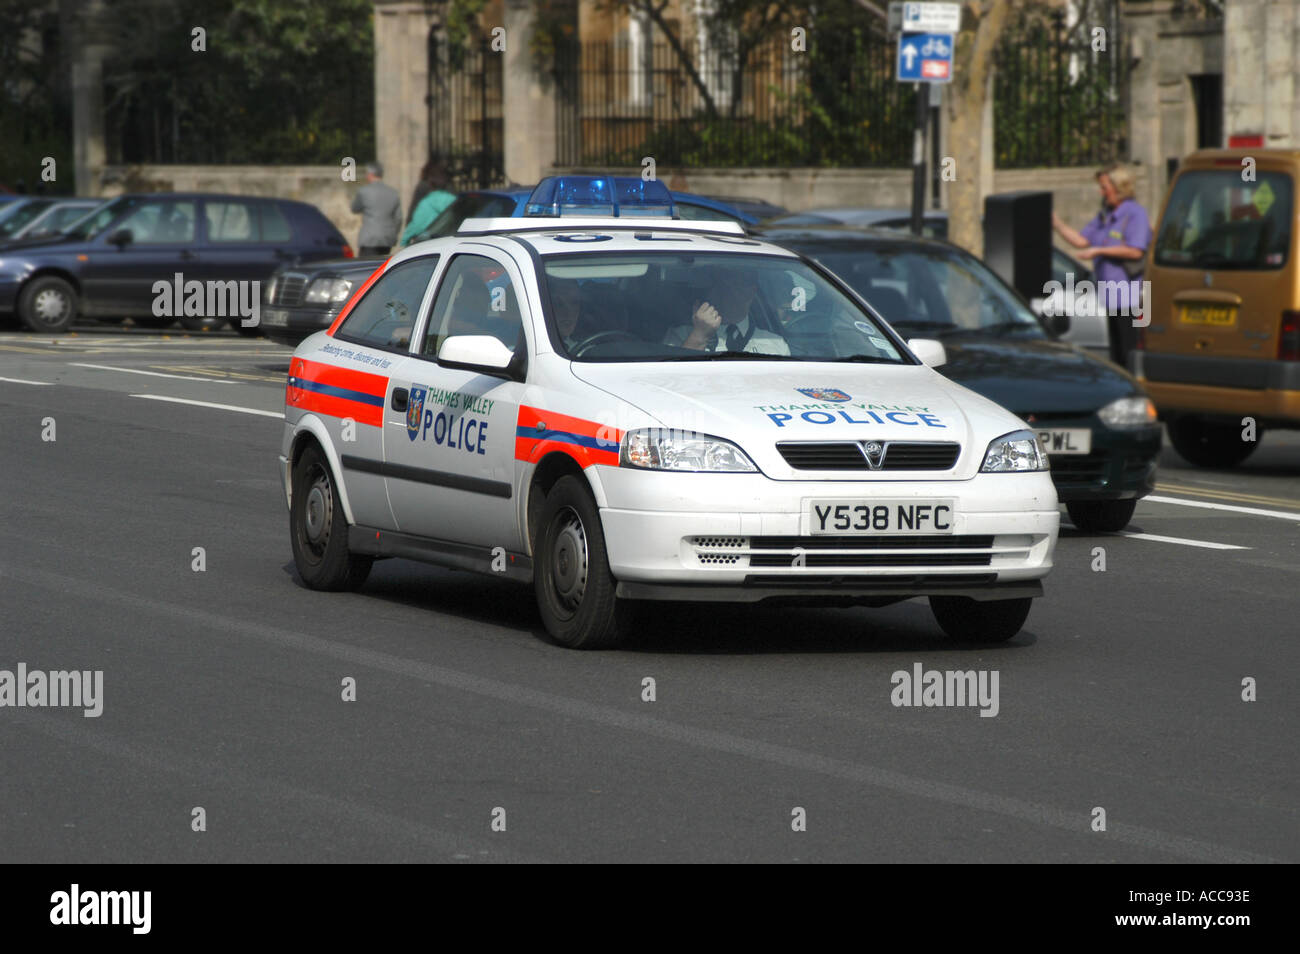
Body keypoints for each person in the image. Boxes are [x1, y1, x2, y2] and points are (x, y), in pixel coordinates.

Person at [1052, 162, 1152, 368]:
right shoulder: (1105, 215)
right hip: (1110, 296)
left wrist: (1099, 251)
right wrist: (1056, 223)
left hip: (1129, 297)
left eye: (1105, 187)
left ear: (1119, 187)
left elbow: (1135, 250)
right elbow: (1081, 240)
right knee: (1115, 354)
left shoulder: (1134, 214)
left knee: (1128, 352)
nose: (1101, 192)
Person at [663, 267, 790, 355]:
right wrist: (700, 335)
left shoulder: (775, 344)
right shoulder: (682, 335)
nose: (729, 292)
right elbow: (671, 380)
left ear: (752, 291)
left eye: (738, 284)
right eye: (723, 284)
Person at [350, 161, 402, 257]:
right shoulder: (393, 193)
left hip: (369, 237)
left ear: (370, 174)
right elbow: (398, 218)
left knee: (366, 267)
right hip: (387, 237)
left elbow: (354, 208)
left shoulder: (363, 191)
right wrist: (394, 232)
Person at [400, 161, 456, 246]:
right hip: (446, 235)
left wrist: (407, 235)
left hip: (424, 236)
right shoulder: (450, 189)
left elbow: (414, 209)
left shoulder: (423, 187)